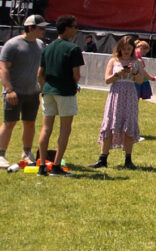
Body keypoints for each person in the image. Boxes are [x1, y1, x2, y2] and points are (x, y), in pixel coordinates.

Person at [37, 15, 85, 177]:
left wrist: (45, 88)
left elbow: (40, 74)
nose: (76, 29)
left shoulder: (47, 48)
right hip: (65, 92)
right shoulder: (73, 49)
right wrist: (72, 84)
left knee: (46, 128)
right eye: (74, 26)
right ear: (66, 28)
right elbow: (76, 75)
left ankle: (42, 166)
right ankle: (56, 166)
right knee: (65, 130)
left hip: (48, 92)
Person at [0, 14, 49, 168]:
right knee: (9, 123)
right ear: (30, 28)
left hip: (32, 93)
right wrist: (9, 90)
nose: (43, 31)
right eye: (40, 28)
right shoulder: (13, 44)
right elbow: (3, 69)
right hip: (14, 92)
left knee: (30, 123)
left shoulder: (41, 45)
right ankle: (1, 155)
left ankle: (27, 153)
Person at [89, 36, 145, 169]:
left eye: (129, 49)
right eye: (124, 49)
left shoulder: (136, 61)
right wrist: (118, 74)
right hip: (115, 94)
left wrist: (135, 72)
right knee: (110, 123)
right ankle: (103, 158)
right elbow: (107, 80)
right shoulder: (113, 61)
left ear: (132, 49)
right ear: (119, 48)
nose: (126, 51)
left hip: (130, 95)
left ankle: (128, 160)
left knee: (129, 124)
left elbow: (140, 81)